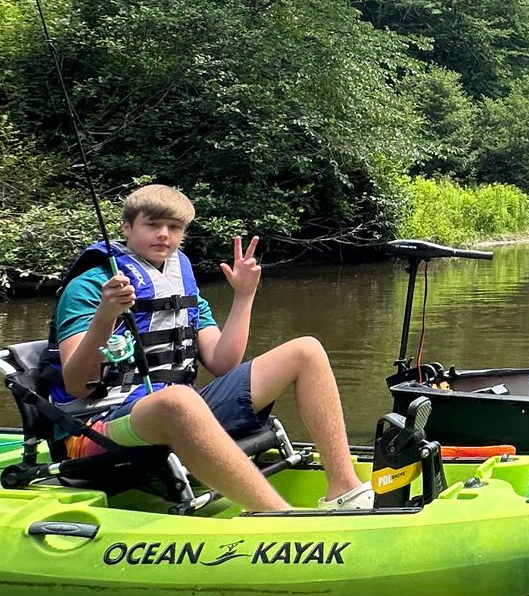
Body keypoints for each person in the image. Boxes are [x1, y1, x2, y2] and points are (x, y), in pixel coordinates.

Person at [40, 184, 372, 511]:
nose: (164, 236)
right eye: (152, 225)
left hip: (177, 410)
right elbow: (77, 384)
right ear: (127, 227)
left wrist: (244, 295)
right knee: (179, 399)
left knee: (306, 350)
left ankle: (344, 490)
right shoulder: (88, 287)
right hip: (97, 430)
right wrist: (106, 315)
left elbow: (222, 362)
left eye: (174, 228)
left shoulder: (180, 284)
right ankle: (276, 515)